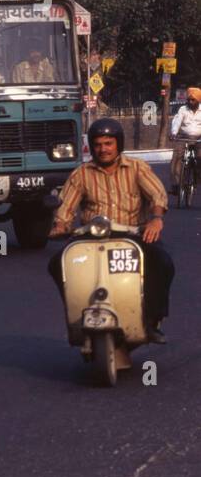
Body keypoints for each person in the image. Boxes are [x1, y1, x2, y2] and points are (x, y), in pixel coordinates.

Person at [47, 118, 173, 344]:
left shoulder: (136, 168)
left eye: (108, 143)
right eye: (98, 144)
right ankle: (75, 312)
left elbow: (157, 194)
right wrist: (61, 225)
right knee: (57, 263)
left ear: (118, 144)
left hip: (134, 234)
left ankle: (152, 320)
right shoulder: (82, 173)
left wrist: (156, 219)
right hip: (91, 237)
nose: (103, 149)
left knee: (163, 263)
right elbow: (66, 205)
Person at [168, 87, 201, 193]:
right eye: (188, 100)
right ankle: (176, 184)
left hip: (199, 139)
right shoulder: (183, 109)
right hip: (183, 137)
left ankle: (197, 179)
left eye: (193, 100)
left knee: (200, 158)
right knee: (176, 159)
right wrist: (174, 133)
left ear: (198, 100)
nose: (190, 102)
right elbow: (177, 121)